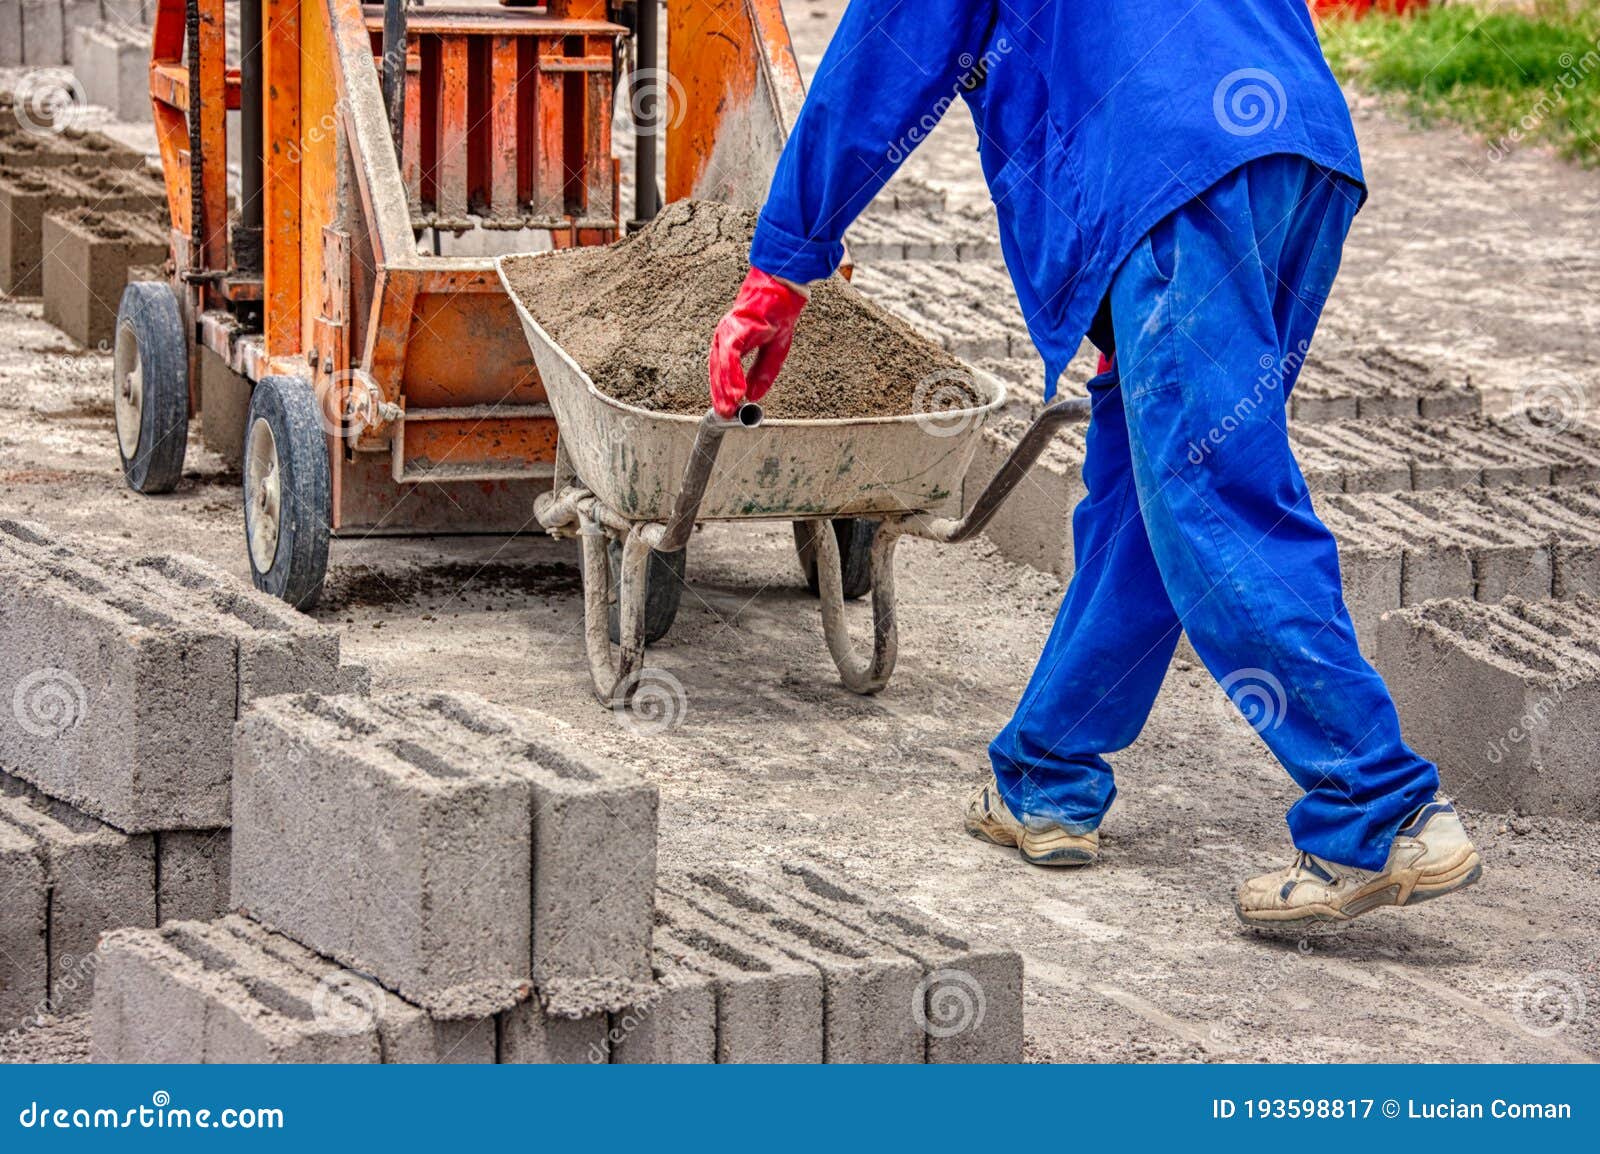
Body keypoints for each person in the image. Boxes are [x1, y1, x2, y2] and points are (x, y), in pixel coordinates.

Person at [708, 1, 1482, 927]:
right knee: (1146, 488)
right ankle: (1049, 773)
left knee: (1211, 493)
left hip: (1168, 166)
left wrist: (781, 267)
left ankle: (1380, 805)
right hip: (1297, 150)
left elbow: (884, 56)